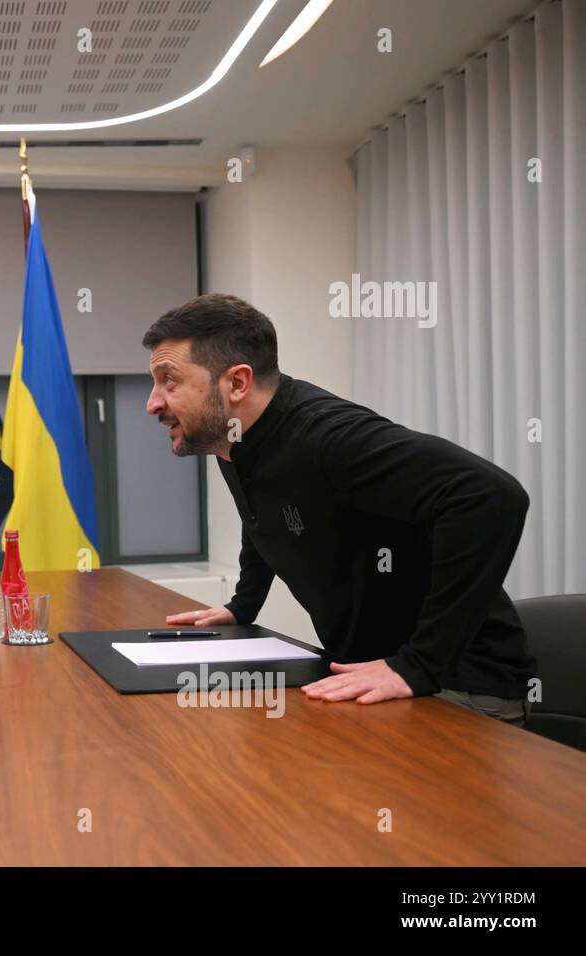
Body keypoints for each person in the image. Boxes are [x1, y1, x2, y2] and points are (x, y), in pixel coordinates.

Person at [144, 293, 536, 725]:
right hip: (366, 674)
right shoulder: (235, 443)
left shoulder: (329, 437)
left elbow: (490, 496)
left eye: (169, 381)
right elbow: (261, 515)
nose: (153, 403)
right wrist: (243, 605)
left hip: (459, 688)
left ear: (237, 383)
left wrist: (419, 665)